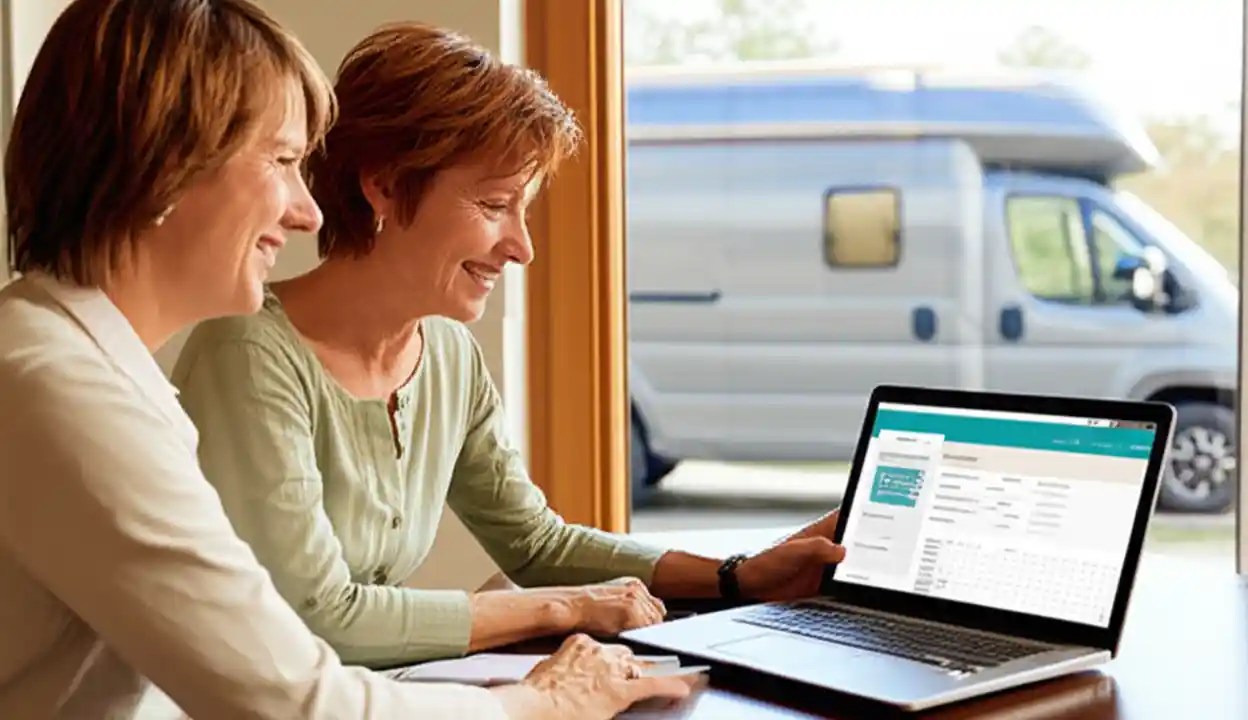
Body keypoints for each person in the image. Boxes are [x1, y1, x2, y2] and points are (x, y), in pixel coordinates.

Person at [0, 2, 697, 718]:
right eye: (280, 161)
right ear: (163, 166)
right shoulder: (66, 393)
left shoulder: (75, 363)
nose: (307, 212)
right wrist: (545, 700)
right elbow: (302, 703)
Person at [172, 20, 846, 670]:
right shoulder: (248, 354)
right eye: (495, 206)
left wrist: (739, 577)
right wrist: (559, 610)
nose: (521, 247)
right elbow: (318, 617)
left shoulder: (447, 356)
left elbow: (536, 543)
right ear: (381, 184)